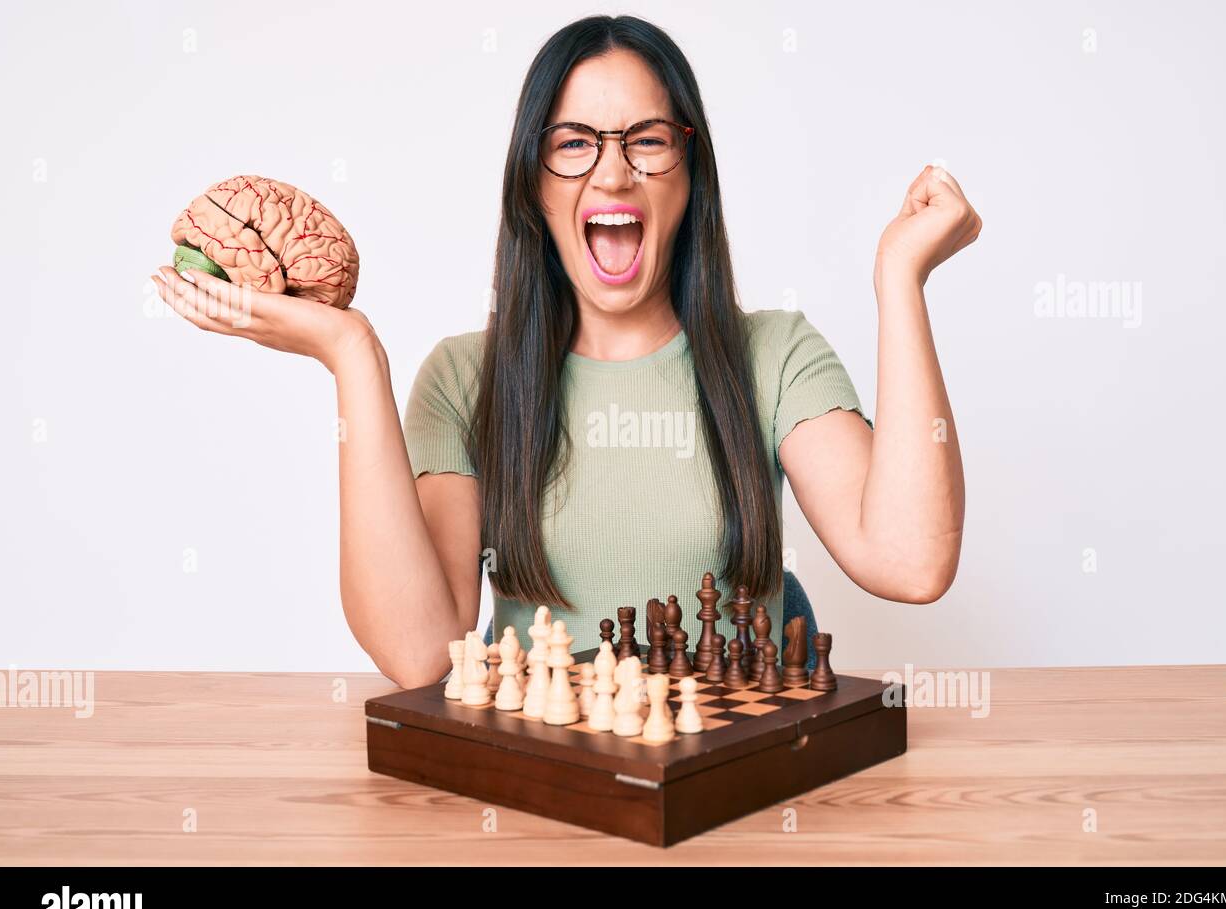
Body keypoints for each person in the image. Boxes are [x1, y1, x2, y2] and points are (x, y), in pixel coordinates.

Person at [150, 15, 978, 688]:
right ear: (533, 181)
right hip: (538, 789)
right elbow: (416, 654)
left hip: (729, 787)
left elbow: (911, 563)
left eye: (647, 140)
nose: (612, 173)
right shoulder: (464, 379)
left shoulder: (775, 353)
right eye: (573, 142)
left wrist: (900, 279)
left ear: (689, 173)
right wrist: (352, 354)